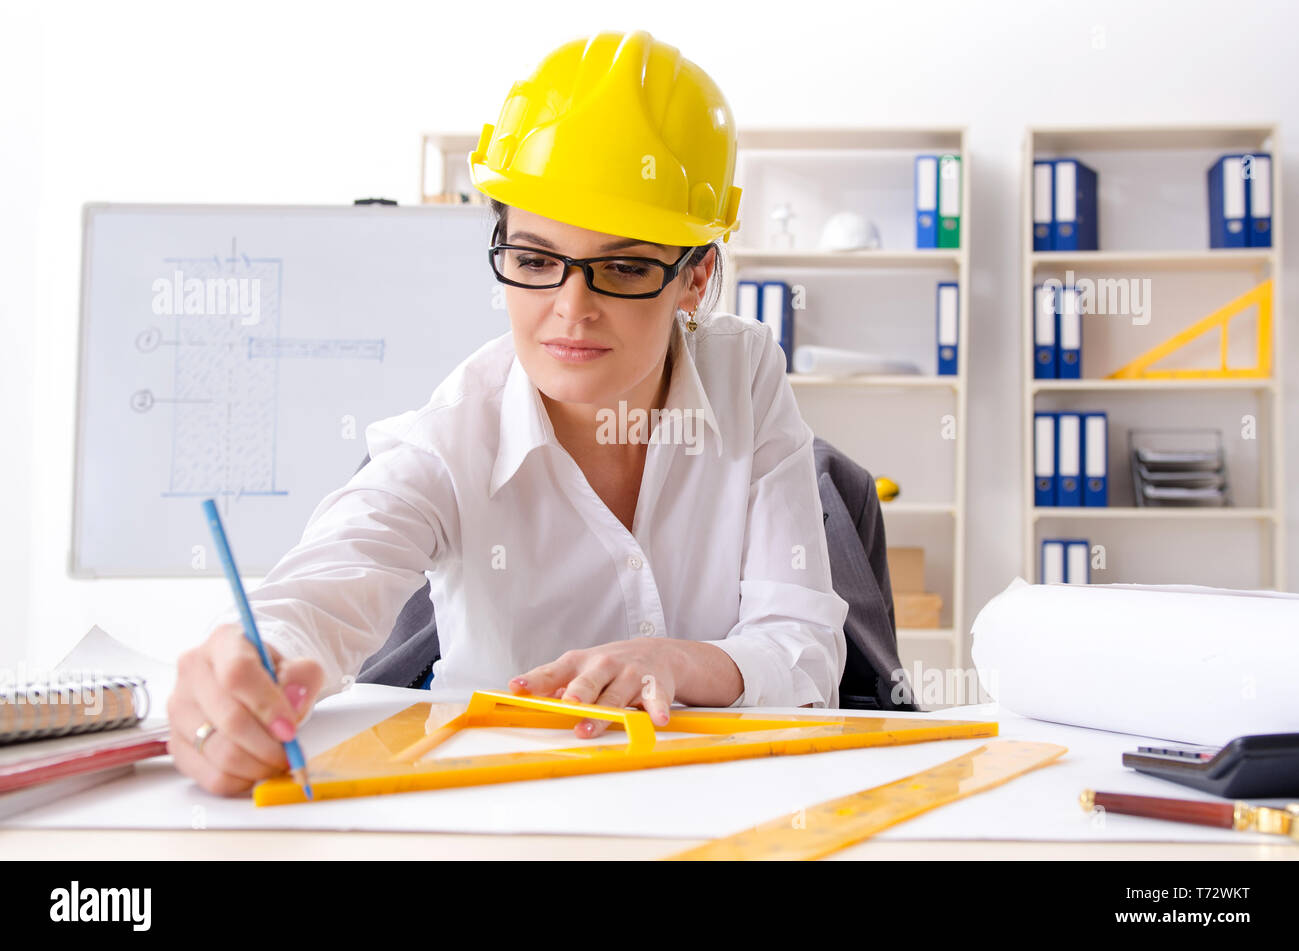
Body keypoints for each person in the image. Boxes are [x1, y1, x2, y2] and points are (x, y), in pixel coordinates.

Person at [167, 29, 849, 797]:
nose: (570, 309)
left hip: (716, 808)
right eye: (533, 260)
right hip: (496, 812)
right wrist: (247, 666)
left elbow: (805, 647)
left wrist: (675, 658)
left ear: (696, 279)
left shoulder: (745, 374)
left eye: (622, 267)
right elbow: (324, 586)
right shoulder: (454, 436)